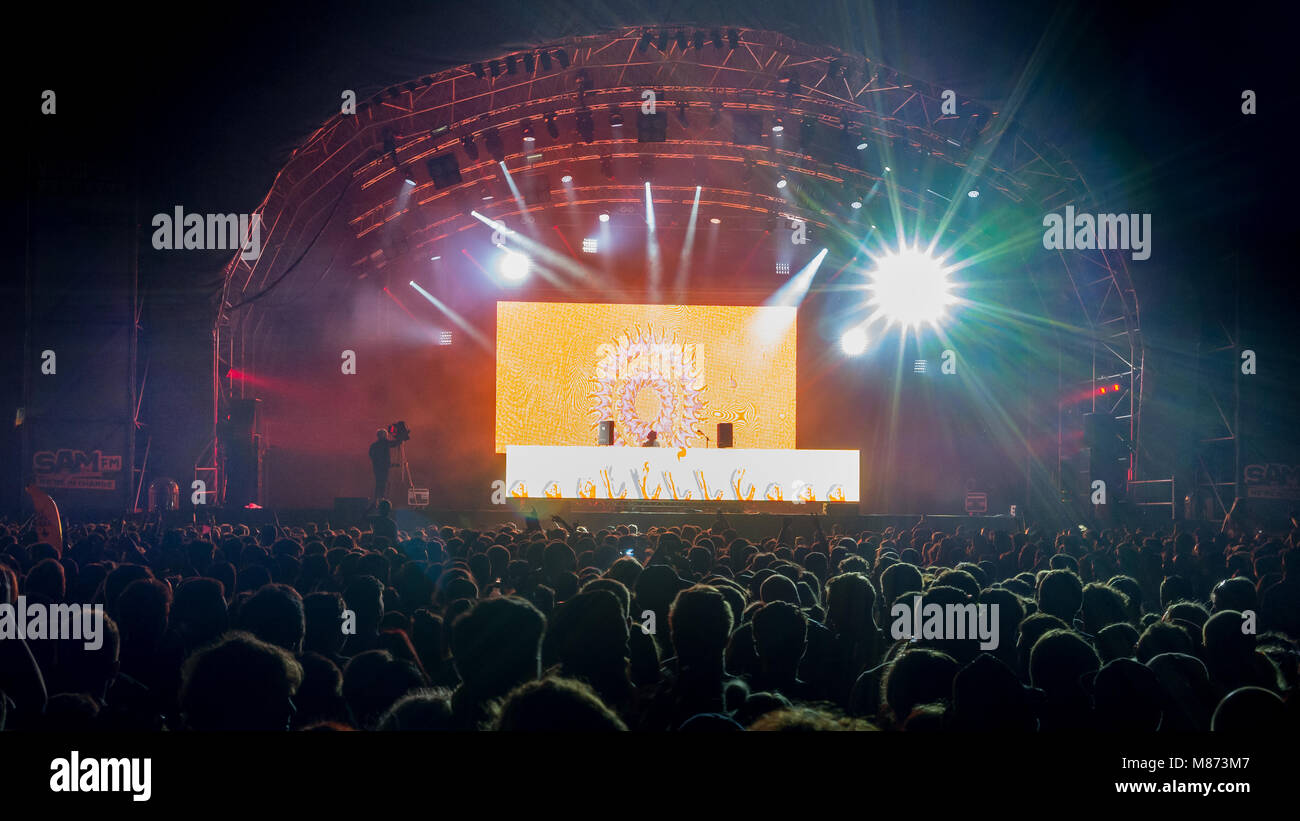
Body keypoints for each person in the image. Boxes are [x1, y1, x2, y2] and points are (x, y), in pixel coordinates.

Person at [368, 428, 401, 502]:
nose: (386, 436)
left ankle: (377, 499)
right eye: (385, 435)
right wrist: (400, 438)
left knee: (379, 482)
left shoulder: (374, 445)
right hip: (383, 467)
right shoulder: (385, 443)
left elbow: (370, 454)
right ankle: (381, 499)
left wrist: (376, 461)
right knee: (383, 482)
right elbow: (395, 443)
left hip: (377, 467)